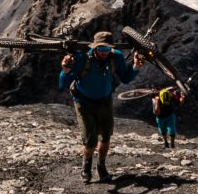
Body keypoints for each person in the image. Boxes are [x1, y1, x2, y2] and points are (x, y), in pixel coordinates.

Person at [59, 31, 141, 183]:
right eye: (100, 49)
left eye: (107, 49)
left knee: (105, 137)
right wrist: (65, 70)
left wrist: (135, 66)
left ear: (111, 48)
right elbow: (62, 83)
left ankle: (101, 167)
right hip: (83, 102)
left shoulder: (116, 56)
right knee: (90, 140)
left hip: (104, 101)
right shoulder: (81, 59)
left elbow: (125, 78)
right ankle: (86, 166)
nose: (104, 52)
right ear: (94, 47)